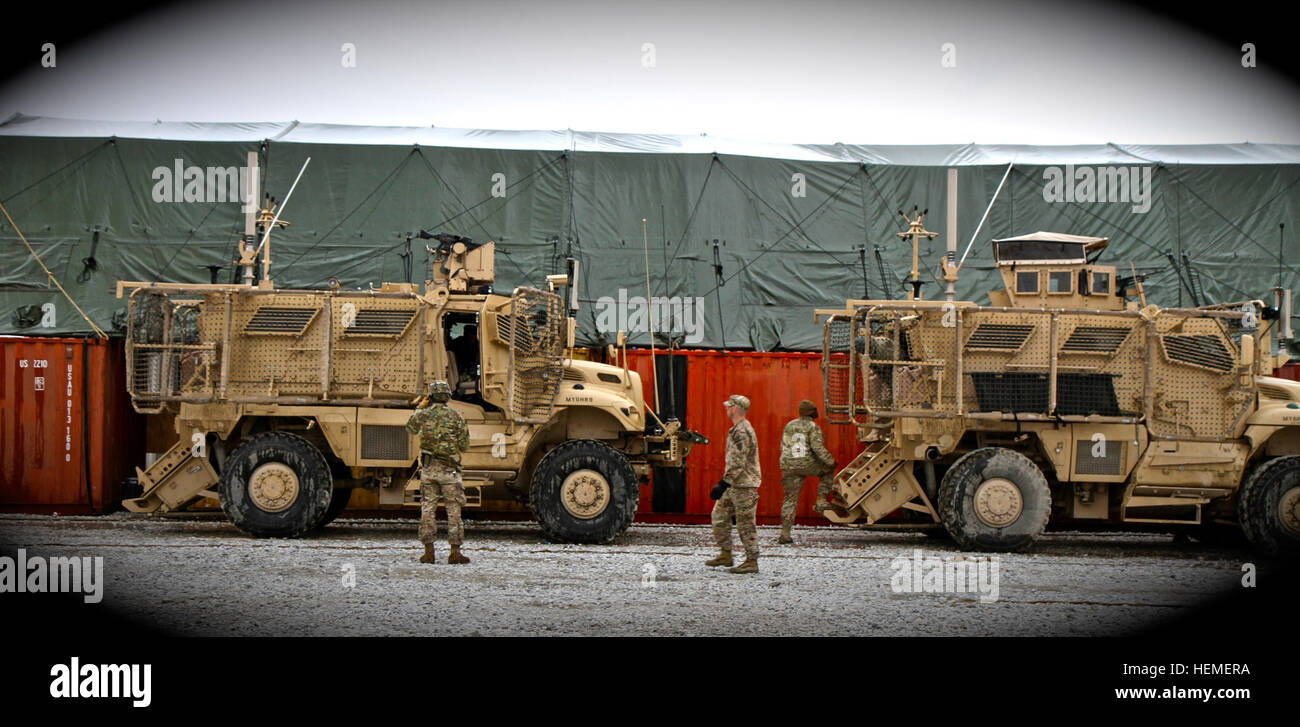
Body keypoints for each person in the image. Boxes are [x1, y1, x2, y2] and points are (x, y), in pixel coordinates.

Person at [405, 380, 471, 565]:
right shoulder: (456, 416)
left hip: (428, 470)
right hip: (449, 471)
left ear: (431, 396)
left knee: (427, 510)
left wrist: (420, 407)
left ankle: (428, 553)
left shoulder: (423, 415)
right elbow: (465, 445)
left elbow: (410, 427)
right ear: (448, 396)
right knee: (454, 511)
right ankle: (455, 553)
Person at [706, 394, 762, 574]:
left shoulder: (742, 431)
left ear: (735, 409)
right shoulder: (737, 429)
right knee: (719, 516)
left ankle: (751, 561)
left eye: (729, 407)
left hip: (744, 485)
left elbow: (739, 461)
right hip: (734, 485)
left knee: (746, 523)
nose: (727, 409)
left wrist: (723, 483)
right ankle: (726, 554)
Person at [777, 400, 837, 544]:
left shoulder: (790, 425)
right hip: (806, 463)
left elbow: (783, 446)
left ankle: (785, 534)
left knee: (790, 499)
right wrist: (831, 461)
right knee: (827, 471)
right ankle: (821, 501)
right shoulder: (812, 426)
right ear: (811, 412)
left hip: (788, 464)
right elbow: (817, 449)